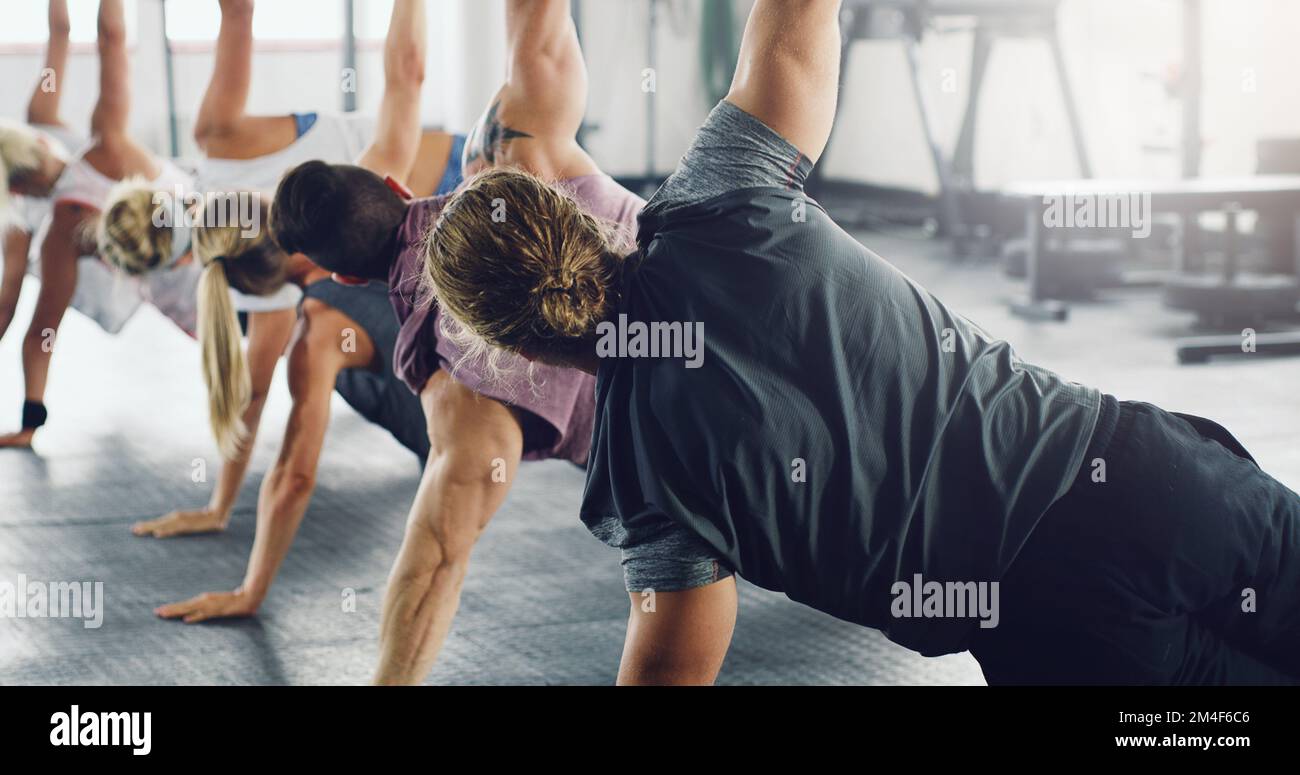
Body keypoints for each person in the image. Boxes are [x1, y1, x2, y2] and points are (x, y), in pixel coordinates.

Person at [422, 0, 1300, 686]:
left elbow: (666, 672)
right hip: (1144, 474)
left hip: (1061, 630)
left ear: (514, 353)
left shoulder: (644, 484)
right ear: (575, 210)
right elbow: (799, 21)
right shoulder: (725, 199)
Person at [270, 0, 644, 684]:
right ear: (394, 184)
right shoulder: (510, 147)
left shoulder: (460, 394)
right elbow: (538, 22)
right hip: (768, 295)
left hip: (733, 444)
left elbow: (435, 560)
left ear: (346, 277)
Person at [108, 0, 457, 627]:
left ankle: (434, 427)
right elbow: (407, 74)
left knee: (328, 355)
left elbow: (288, 457)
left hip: (445, 208)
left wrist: (246, 580)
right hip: (441, 199)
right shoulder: (355, 194)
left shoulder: (294, 306)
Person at [0, 0, 196, 450]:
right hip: (235, 232)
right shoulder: (103, 140)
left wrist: (31, 421)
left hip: (202, 296)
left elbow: (39, 330)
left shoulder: (56, 232)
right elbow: (105, 39)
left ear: (16, 192)